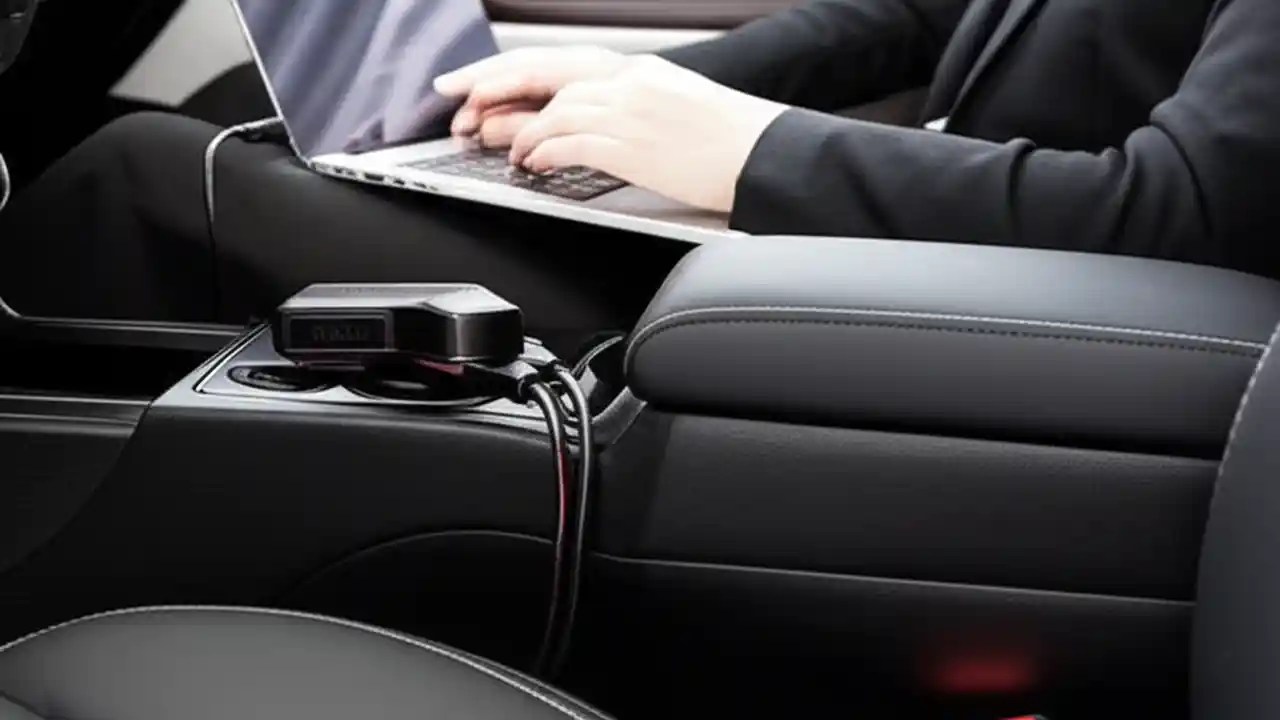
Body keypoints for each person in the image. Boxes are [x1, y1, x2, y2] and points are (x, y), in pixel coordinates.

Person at [2, 0, 1278, 354]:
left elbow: (1188, 212)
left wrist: (745, 150)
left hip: (983, 321)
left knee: (146, 172)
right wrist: (626, 84)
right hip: (894, 243)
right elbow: (913, 15)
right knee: (240, 119)